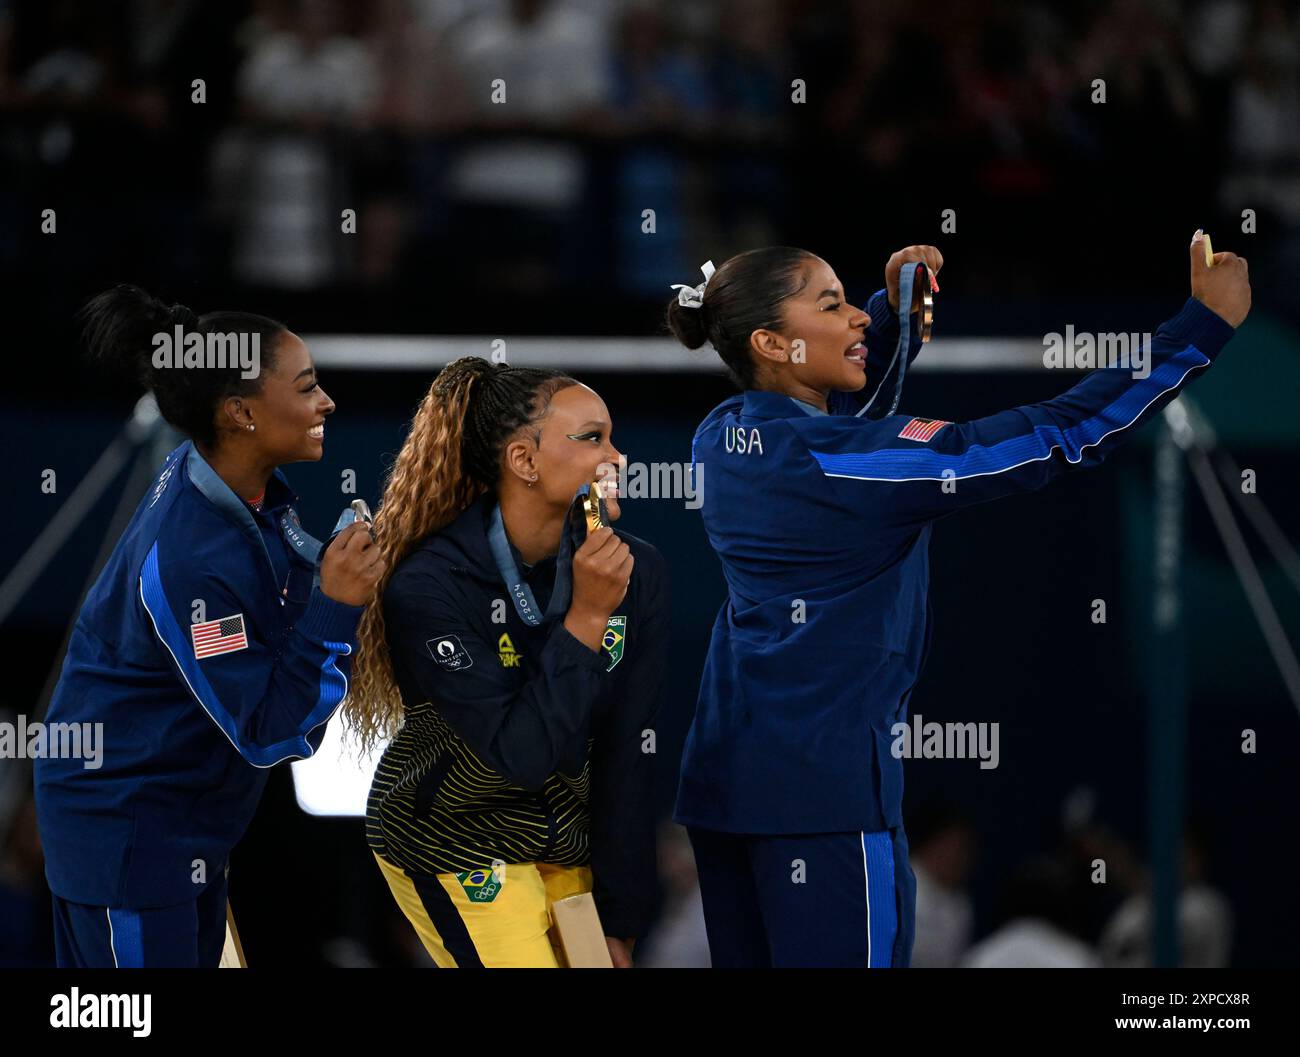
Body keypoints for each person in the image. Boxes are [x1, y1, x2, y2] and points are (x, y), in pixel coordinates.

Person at [667, 234, 1251, 967]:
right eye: (833, 304)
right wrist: (1200, 330)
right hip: (824, 799)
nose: (854, 319)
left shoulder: (721, 440)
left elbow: (839, 423)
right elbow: (1059, 434)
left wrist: (893, 312)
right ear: (772, 342)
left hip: (726, 793)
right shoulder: (848, 464)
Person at [34, 284, 382, 968]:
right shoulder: (191, 558)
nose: (327, 402)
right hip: (126, 840)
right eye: (308, 387)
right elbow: (269, 730)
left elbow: (281, 586)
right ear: (241, 413)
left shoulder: (230, 480)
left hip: (183, 827)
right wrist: (337, 604)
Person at [347, 357, 667, 968]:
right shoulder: (432, 585)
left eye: (613, 437)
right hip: (454, 837)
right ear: (523, 461)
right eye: (591, 438)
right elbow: (519, 755)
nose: (618, 458)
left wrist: (622, 920)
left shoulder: (637, 571)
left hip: (562, 838)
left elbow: (631, 748)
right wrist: (586, 620)